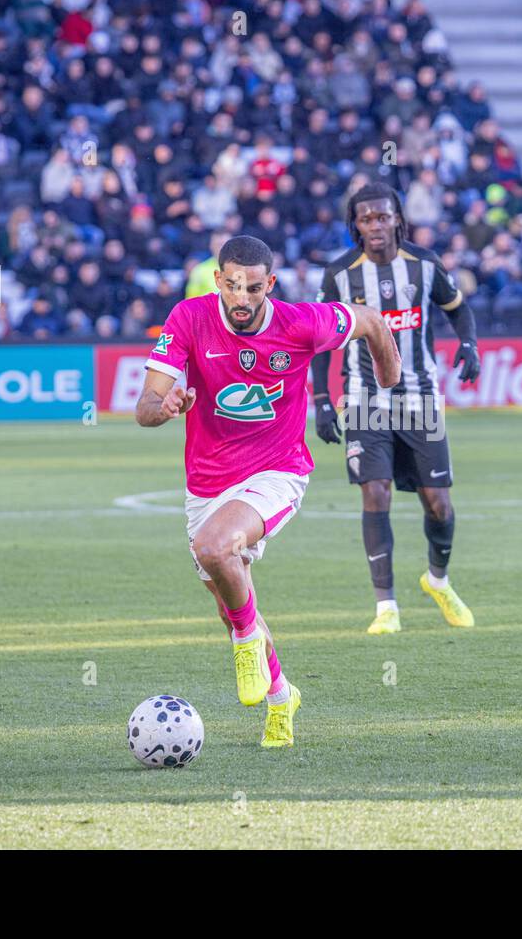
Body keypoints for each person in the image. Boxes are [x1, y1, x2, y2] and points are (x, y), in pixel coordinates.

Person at [134, 235, 400, 747]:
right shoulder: (189, 318)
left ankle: (244, 642)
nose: (241, 298)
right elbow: (145, 405)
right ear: (218, 281)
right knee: (228, 590)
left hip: (277, 472)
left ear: (269, 285)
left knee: (216, 550)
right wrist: (162, 409)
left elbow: (369, 320)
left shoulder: (301, 323)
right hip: (207, 485)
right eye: (232, 285)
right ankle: (281, 696)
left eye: (253, 288)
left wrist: (389, 374)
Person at [312, 182, 481, 635]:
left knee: (438, 505)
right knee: (376, 492)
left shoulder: (425, 265)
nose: (376, 226)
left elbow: (458, 309)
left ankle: (437, 580)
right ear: (356, 225)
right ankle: (386, 607)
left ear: (398, 219)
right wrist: (322, 400)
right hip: (365, 399)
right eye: (366, 219)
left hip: (421, 398)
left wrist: (468, 344)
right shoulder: (340, 274)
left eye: (383, 217)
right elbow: (321, 340)